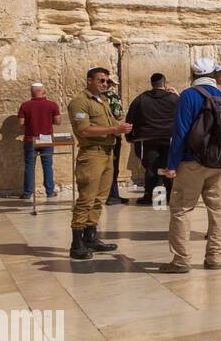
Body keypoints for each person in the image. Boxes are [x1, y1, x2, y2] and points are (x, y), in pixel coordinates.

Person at [159, 59, 221, 273]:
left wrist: (172, 164)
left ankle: (181, 260)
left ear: (193, 74)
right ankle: (214, 257)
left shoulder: (188, 95)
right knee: (217, 210)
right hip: (219, 163)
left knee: (182, 210)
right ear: (214, 74)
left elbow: (180, 132)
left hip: (191, 162)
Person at [66, 67, 132, 260]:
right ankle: (76, 243)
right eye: (100, 81)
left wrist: (122, 128)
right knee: (86, 198)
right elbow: (85, 130)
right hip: (92, 154)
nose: (104, 84)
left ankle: (90, 236)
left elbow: (112, 120)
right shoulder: (80, 102)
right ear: (89, 81)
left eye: (106, 81)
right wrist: (115, 128)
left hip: (107, 153)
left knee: (99, 198)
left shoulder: (102, 100)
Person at [125, 73, 178, 207]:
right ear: (165, 84)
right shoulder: (174, 99)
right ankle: (170, 195)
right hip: (169, 139)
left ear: (151, 84)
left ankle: (148, 196)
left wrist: (130, 138)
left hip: (148, 140)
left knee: (150, 168)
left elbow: (130, 119)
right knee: (168, 166)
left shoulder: (141, 99)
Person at [17, 82, 62, 199]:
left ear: (31, 91)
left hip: (30, 139)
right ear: (44, 91)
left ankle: (28, 193)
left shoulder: (25, 105)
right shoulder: (52, 105)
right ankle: (50, 191)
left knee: (29, 166)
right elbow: (58, 121)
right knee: (47, 165)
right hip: (46, 139)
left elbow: (21, 123)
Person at [103, 77, 129, 205]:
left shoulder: (91, 96)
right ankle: (112, 195)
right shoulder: (112, 96)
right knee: (113, 167)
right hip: (113, 134)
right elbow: (118, 114)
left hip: (98, 134)